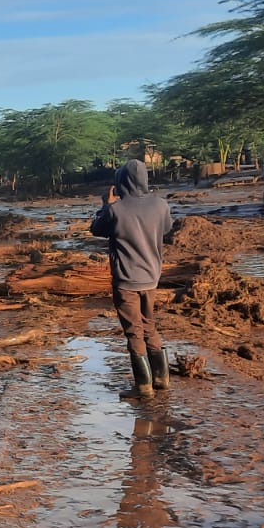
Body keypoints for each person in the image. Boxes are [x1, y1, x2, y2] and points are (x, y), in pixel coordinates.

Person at [90, 159, 174, 400]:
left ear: (120, 183)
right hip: (152, 277)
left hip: (126, 279)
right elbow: (167, 229)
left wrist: (106, 204)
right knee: (149, 324)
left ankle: (144, 387)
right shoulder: (160, 205)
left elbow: (96, 228)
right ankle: (162, 379)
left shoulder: (116, 210)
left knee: (134, 332)